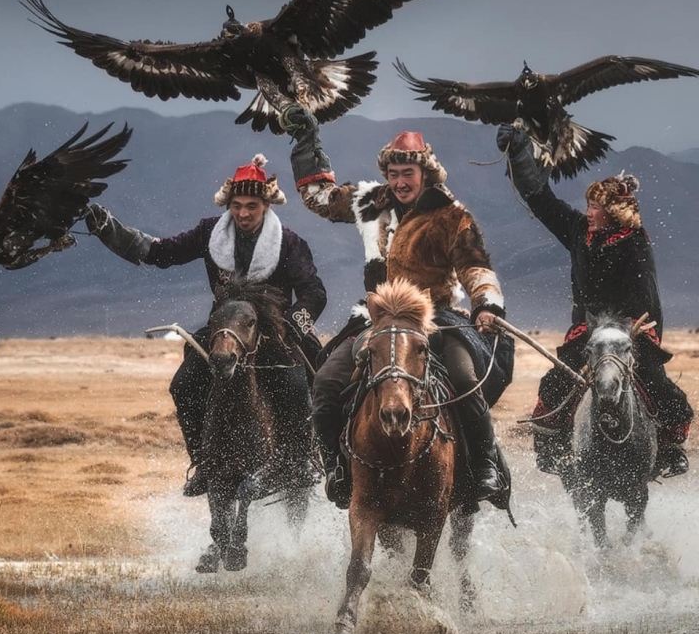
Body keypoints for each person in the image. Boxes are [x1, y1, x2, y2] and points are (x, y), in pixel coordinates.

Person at [281, 106, 513, 509]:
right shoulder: (369, 202)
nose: (400, 182)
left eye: (408, 173)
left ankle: (484, 465)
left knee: (464, 378)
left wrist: (485, 306)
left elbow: (476, 267)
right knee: (327, 383)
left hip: (434, 319)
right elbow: (319, 198)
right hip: (376, 319)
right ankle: (336, 468)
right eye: (394, 173)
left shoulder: (451, 216)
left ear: (425, 173)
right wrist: (305, 140)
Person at [85, 153, 327, 495]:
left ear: (266, 206)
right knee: (183, 385)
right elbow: (162, 252)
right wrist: (111, 232)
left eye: (252, 206)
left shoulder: (290, 242)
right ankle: (204, 462)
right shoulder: (208, 232)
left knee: (297, 386)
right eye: (236, 206)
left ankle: (297, 463)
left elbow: (314, 292)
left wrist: (291, 326)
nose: (243, 213)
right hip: (223, 331)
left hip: (276, 332)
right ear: (228, 204)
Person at [496, 123, 693, 477]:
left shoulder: (634, 242)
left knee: (660, 388)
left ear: (613, 212)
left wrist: (626, 331)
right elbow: (543, 201)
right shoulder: (578, 232)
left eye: (595, 207)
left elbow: (645, 297)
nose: (587, 212)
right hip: (587, 331)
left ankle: (668, 450)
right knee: (555, 384)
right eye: (587, 205)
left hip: (629, 332)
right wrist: (519, 155)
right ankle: (553, 448)